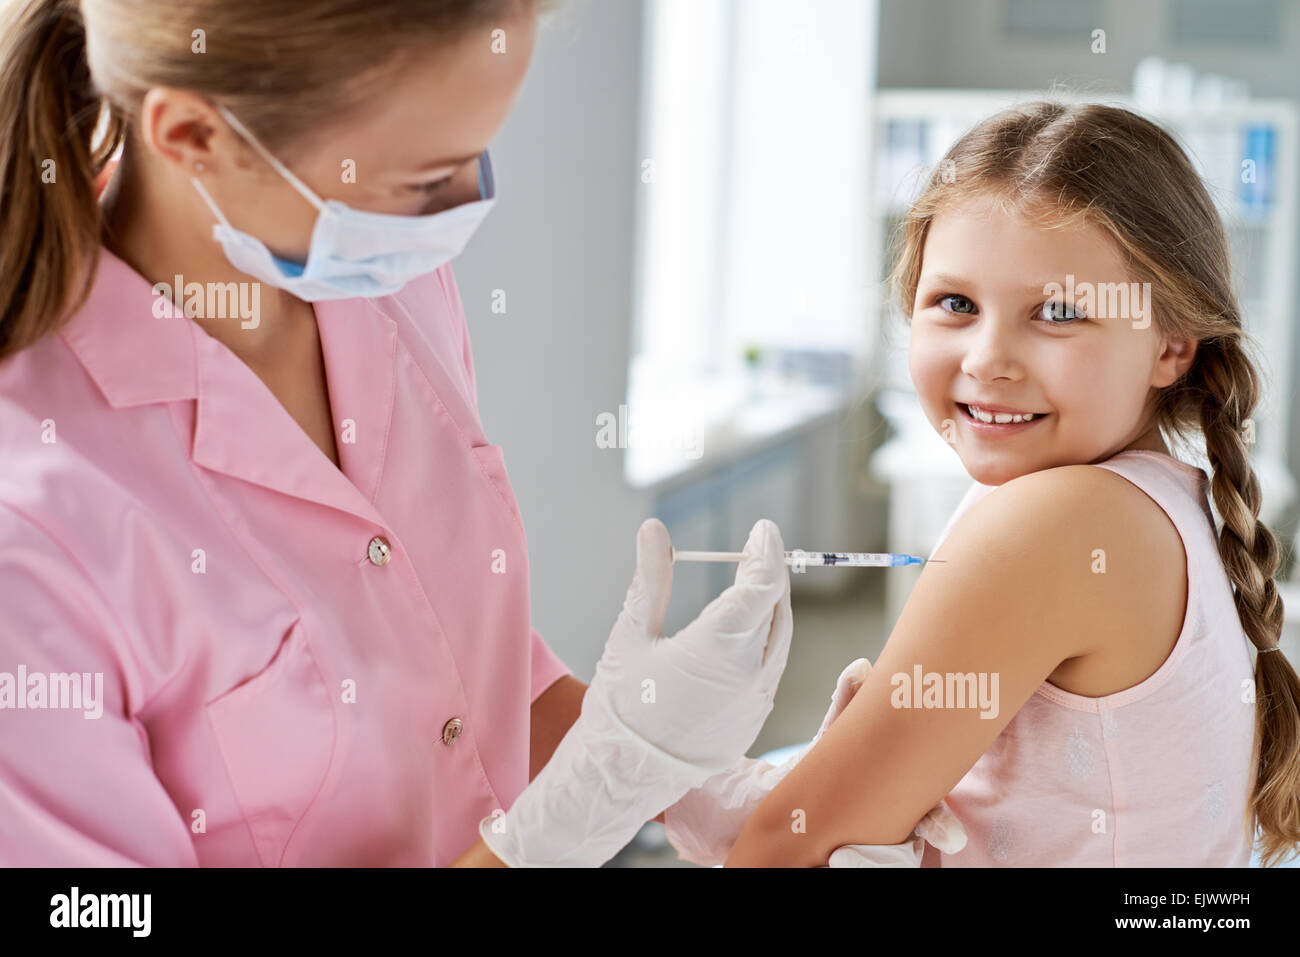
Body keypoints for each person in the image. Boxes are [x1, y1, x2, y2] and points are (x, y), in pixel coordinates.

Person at [0, 0, 962, 867]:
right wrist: (572, 818)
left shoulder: (385, 284)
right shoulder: (34, 530)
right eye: (422, 181)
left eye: (479, 158)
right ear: (197, 134)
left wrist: (692, 779)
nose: (459, 217)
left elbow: (452, 668)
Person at [723, 102, 1300, 868]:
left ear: (1172, 344)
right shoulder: (1170, 497)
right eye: (956, 304)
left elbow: (780, 847)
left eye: (1057, 312)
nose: (990, 358)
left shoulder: (1065, 522)